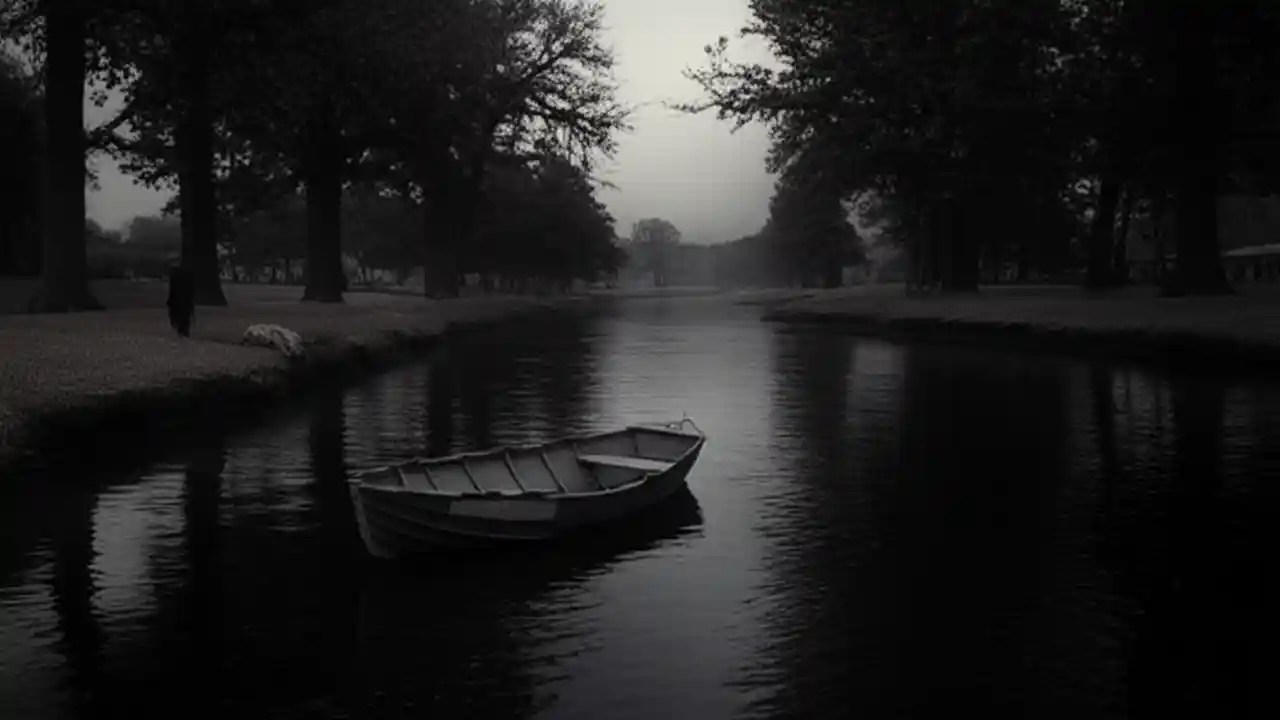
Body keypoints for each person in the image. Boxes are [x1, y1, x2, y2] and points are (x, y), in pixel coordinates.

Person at [167, 266, 195, 337]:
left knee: (181, 319)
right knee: (184, 319)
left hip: (179, 302)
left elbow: (172, 293)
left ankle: (181, 332)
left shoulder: (174, 279)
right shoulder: (188, 280)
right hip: (185, 302)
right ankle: (183, 332)